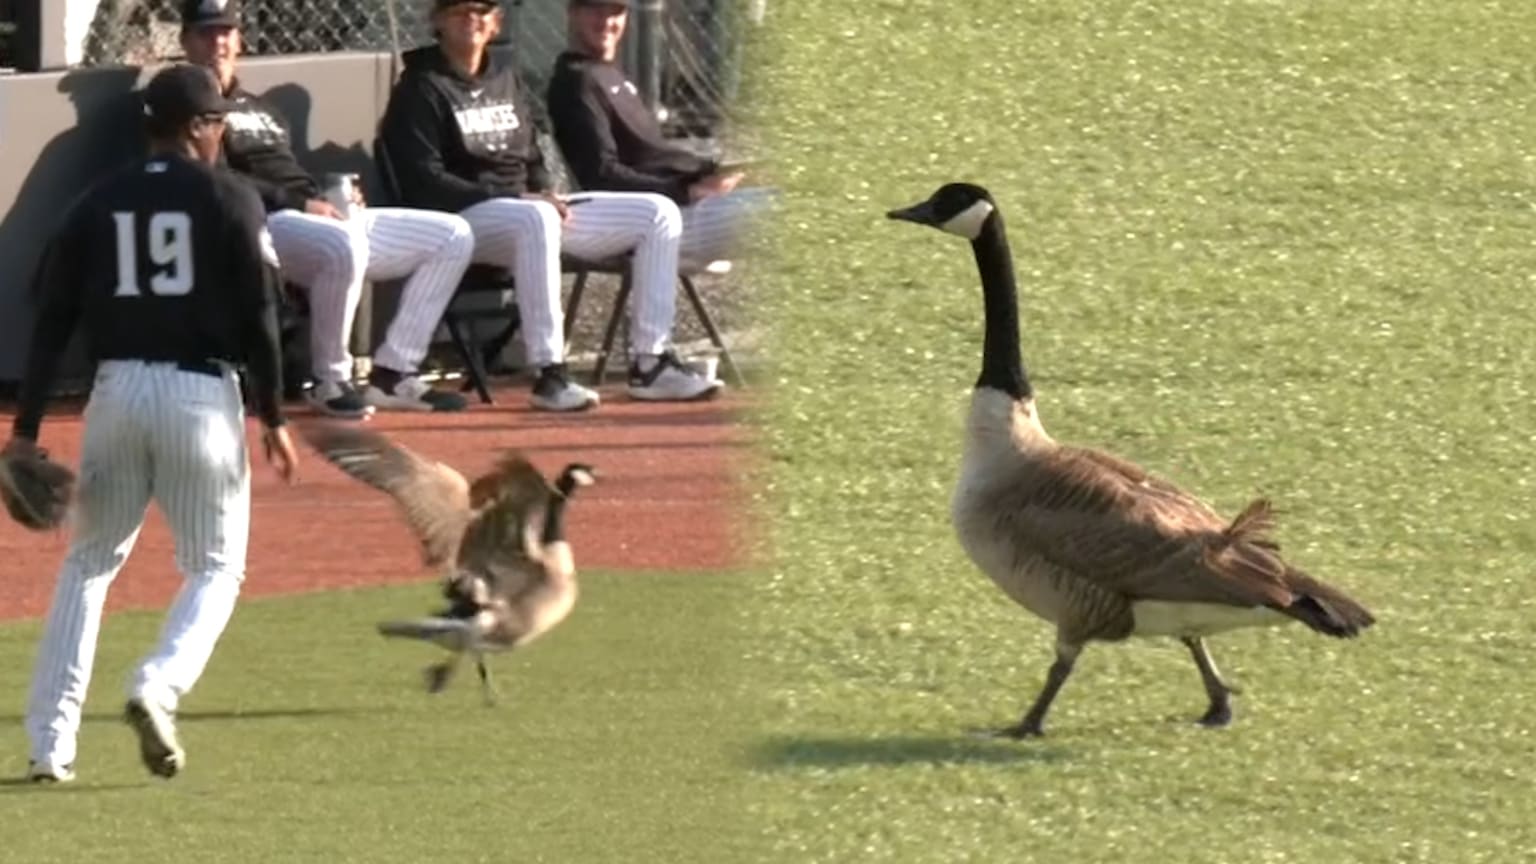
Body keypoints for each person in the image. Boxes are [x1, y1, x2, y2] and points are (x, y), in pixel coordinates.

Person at [6, 63, 299, 783]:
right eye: (217, 119)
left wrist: (28, 428)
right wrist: (273, 411)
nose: (222, 129)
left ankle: (50, 746)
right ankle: (157, 684)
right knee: (215, 568)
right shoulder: (231, 195)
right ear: (198, 128)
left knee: (87, 567)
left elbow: (51, 320)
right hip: (201, 397)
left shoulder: (95, 200)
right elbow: (262, 316)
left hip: (114, 391)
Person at [378, 0, 723, 412]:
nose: (472, 19)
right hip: (464, 218)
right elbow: (424, 180)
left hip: (526, 213)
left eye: (482, 10)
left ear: (496, 22)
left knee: (656, 212)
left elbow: (533, 158)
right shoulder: (420, 87)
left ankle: (651, 363)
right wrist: (514, 199)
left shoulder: (505, 78)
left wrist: (544, 191)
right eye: (459, 11)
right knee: (536, 216)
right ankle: (550, 373)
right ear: (437, 22)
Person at [179, 0, 476, 416]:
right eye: (206, 33)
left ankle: (393, 373)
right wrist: (303, 203)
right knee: (341, 246)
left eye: (226, 32)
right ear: (185, 42)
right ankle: (329, 378)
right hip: (264, 223)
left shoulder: (260, 106)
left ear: (239, 40)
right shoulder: (188, 105)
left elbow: (286, 172)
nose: (218, 43)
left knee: (451, 235)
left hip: (310, 214)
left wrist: (333, 196)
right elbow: (218, 182)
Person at [546, 0, 775, 270]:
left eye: (616, 11)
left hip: (683, 201)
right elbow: (602, 175)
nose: (607, 21)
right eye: (596, 9)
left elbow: (652, 155)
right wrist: (687, 190)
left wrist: (713, 172)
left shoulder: (611, 75)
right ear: (573, 12)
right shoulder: (576, 82)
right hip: (656, 218)